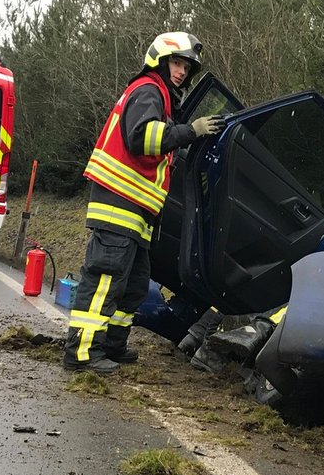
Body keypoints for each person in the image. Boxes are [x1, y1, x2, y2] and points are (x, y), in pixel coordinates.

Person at [63, 32, 226, 375]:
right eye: (177, 62)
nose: (181, 71)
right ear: (160, 61)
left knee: (135, 284)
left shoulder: (161, 97)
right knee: (105, 278)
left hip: (135, 209)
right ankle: (81, 353)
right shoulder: (149, 90)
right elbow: (143, 138)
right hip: (118, 203)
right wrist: (190, 131)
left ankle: (112, 345)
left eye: (186, 66)